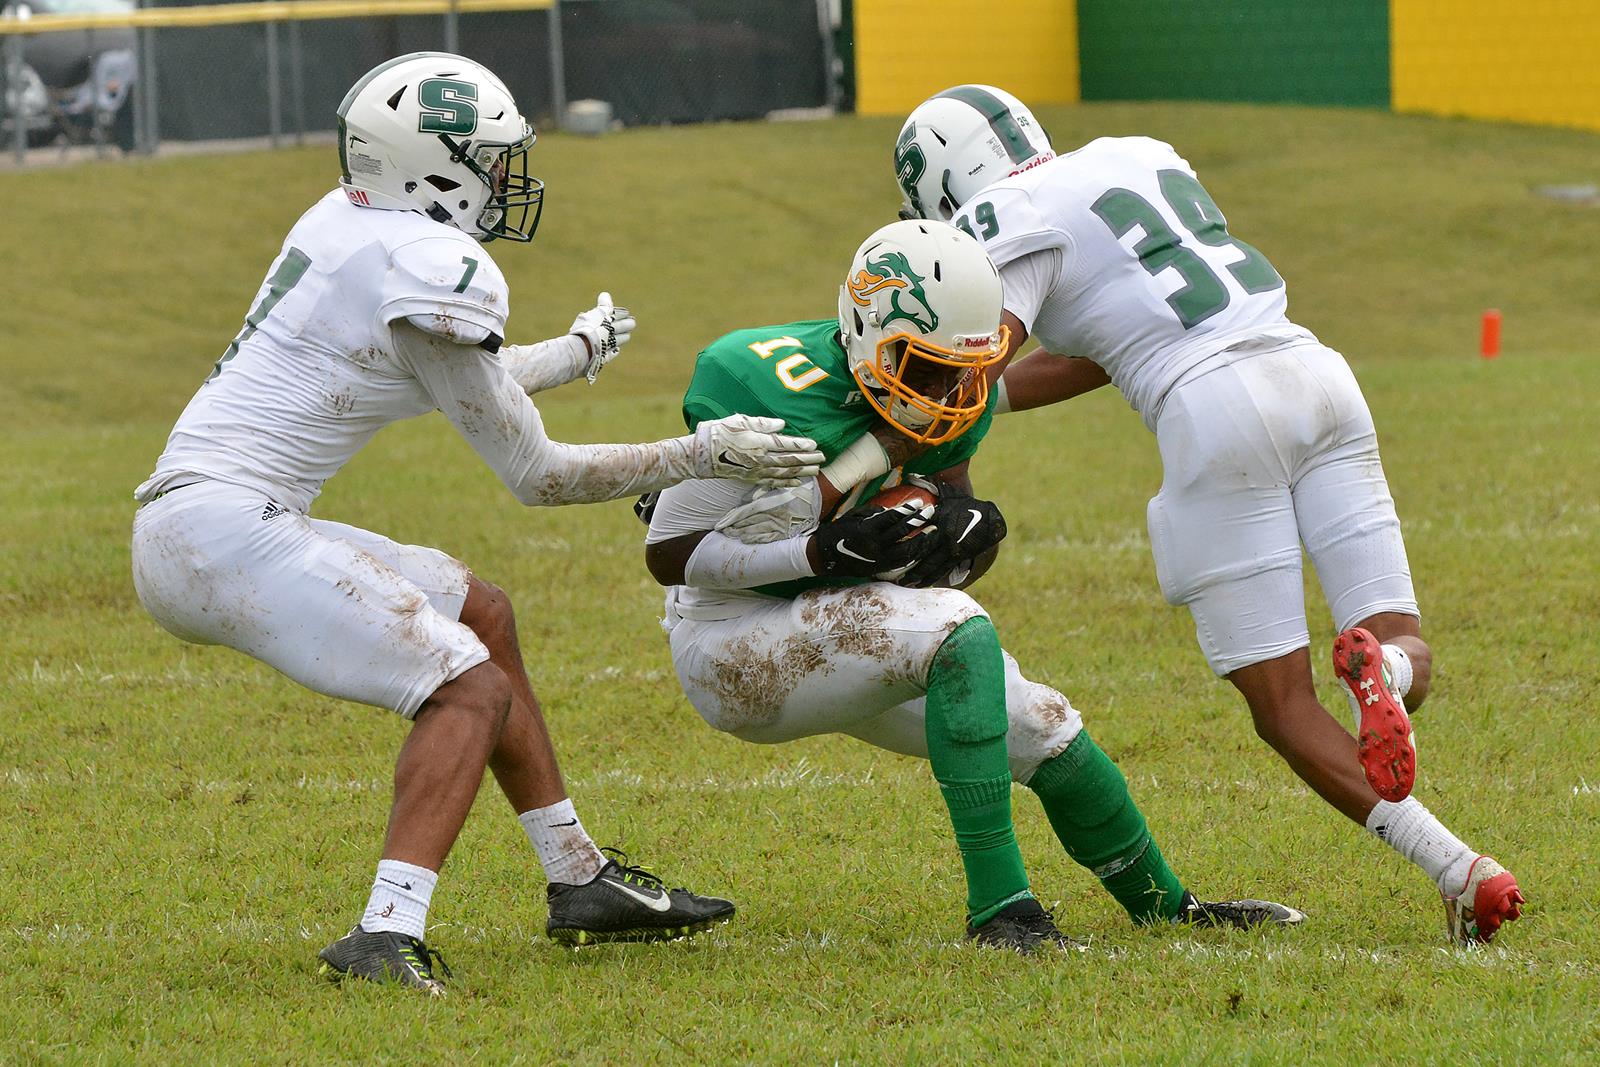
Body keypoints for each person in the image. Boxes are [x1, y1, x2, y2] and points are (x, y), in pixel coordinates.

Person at [129, 52, 824, 994]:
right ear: (434, 166)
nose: (505, 181)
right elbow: (539, 473)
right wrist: (702, 451)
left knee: (481, 612)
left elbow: (449, 382)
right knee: (465, 686)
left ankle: (579, 878)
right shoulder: (431, 265)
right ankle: (385, 932)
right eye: (491, 160)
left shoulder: (356, 226)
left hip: (211, 516)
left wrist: (574, 353)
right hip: (220, 533)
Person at [891, 84, 1523, 944]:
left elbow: (962, 374)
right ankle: (1399, 699)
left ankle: (1455, 868)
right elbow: (1114, 340)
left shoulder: (998, 218)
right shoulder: (1136, 154)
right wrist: (993, 399)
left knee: (1286, 706)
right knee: (1402, 637)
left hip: (1216, 411)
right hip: (1317, 373)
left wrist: (949, 489)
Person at [641, 219, 1303, 952]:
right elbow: (669, 553)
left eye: (960, 367)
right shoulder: (758, 381)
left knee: (1043, 724)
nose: (947, 389)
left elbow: (938, 540)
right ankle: (1003, 911)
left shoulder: (952, 386)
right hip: (726, 635)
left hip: (825, 612)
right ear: (867, 328)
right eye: (925, 365)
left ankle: (1166, 907)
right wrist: (816, 546)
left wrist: (965, 541)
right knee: (960, 629)